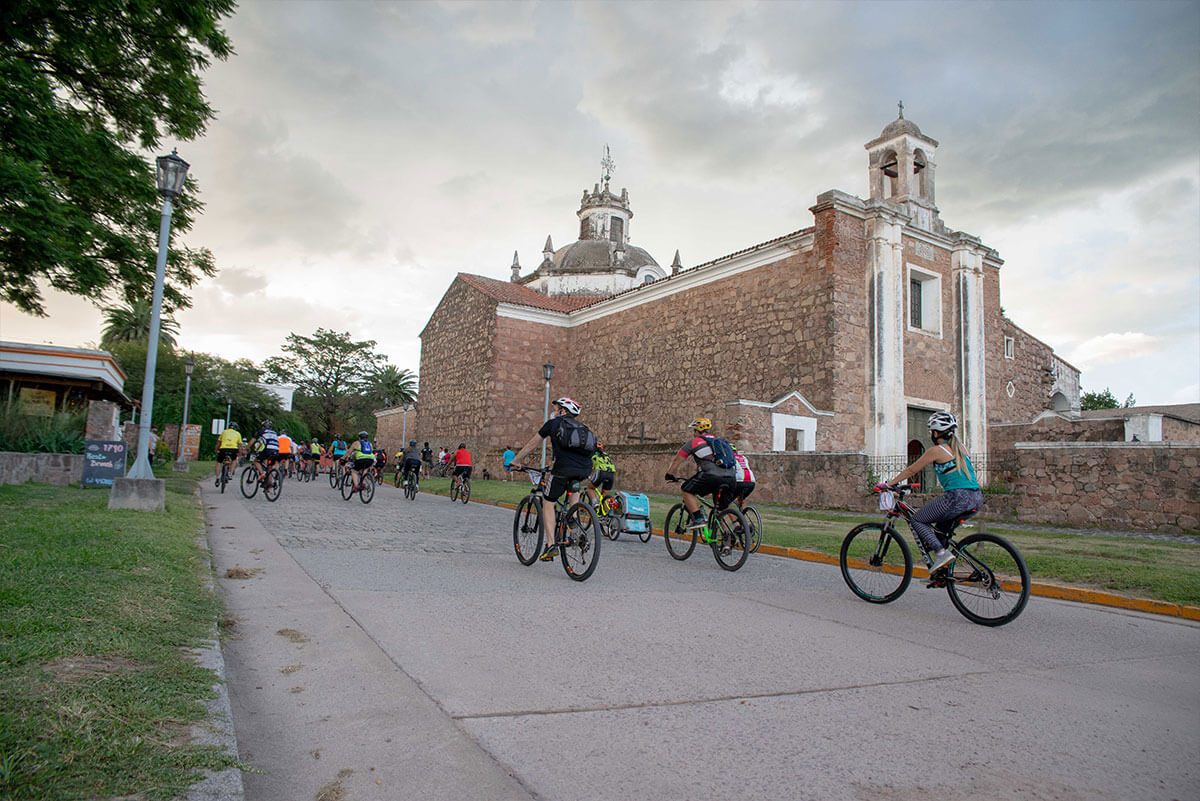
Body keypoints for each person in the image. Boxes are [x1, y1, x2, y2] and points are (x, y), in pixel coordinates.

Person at [882, 411, 982, 573]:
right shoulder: (961, 448)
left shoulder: (936, 450)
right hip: (975, 498)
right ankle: (941, 574)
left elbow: (911, 470)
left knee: (918, 520)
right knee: (939, 534)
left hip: (956, 499)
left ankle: (941, 554)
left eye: (931, 431)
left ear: (935, 433)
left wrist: (889, 484)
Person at [511, 397, 594, 562]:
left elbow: (532, 444)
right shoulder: (584, 428)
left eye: (557, 409)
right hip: (584, 469)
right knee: (573, 488)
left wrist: (516, 460)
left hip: (563, 469)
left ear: (563, 411)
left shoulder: (553, 424)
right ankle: (573, 519)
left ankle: (550, 545)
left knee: (548, 501)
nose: (555, 412)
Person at [663, 417, 737, 530]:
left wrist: (669, 474)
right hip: (731, 478)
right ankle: (728, 538)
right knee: (721, 508)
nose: (694, 433)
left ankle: (698, 518)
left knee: (686, 490)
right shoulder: (720, 442)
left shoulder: (694, 442)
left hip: (711, 476)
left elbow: (677, 460)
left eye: (694, 431)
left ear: (697, 430)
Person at [586, 442, 616, 510]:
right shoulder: (605, 455)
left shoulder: (592, 455)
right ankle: (606, 515)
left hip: (601, 472)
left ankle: (595, 503)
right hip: (611, 473)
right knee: (606, 496)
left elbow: (588, 467)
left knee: (590, 488)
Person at [213, 422, 242, 486]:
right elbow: (240, 445)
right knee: (234, 460)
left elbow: (219, 443)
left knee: (219, 462)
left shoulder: (224, 432)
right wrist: (239, 453)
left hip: (223, 449)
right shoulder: (238, 434)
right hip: (233, 449)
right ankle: (230, 474)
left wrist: (216, 450)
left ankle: (217, 477)